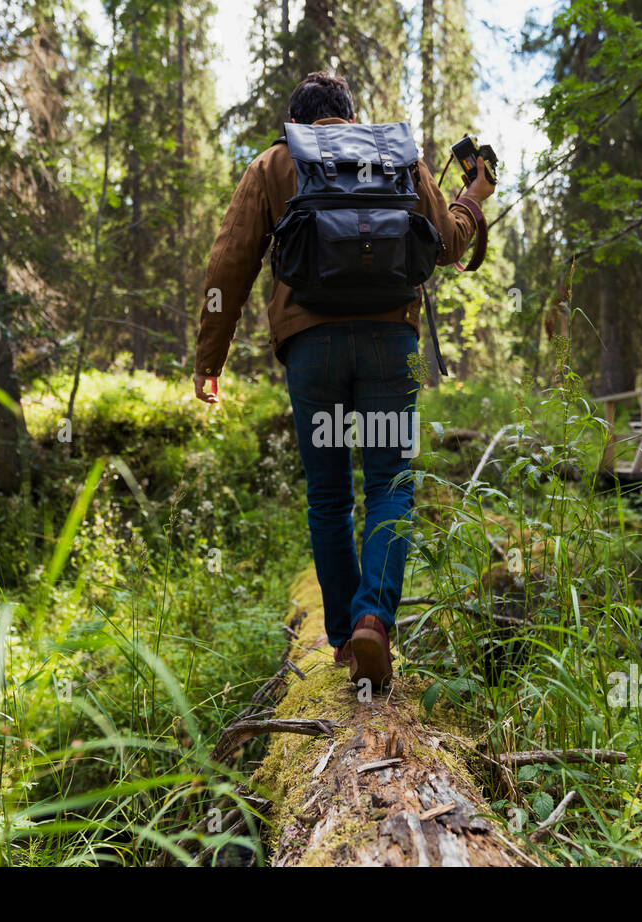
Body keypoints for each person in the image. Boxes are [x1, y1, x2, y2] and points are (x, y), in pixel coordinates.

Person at [192, 71, 495, 689]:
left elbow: (230, 261)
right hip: (389, 342)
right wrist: (474, 197)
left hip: (313, 348)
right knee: (390, 482)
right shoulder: (397, 157)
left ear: (298, 123)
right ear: (351, 117)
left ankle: (340, 642)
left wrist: (209, 359)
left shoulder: (275, 164)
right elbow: (446, 243)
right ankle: (373, 621)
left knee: (329, 494)